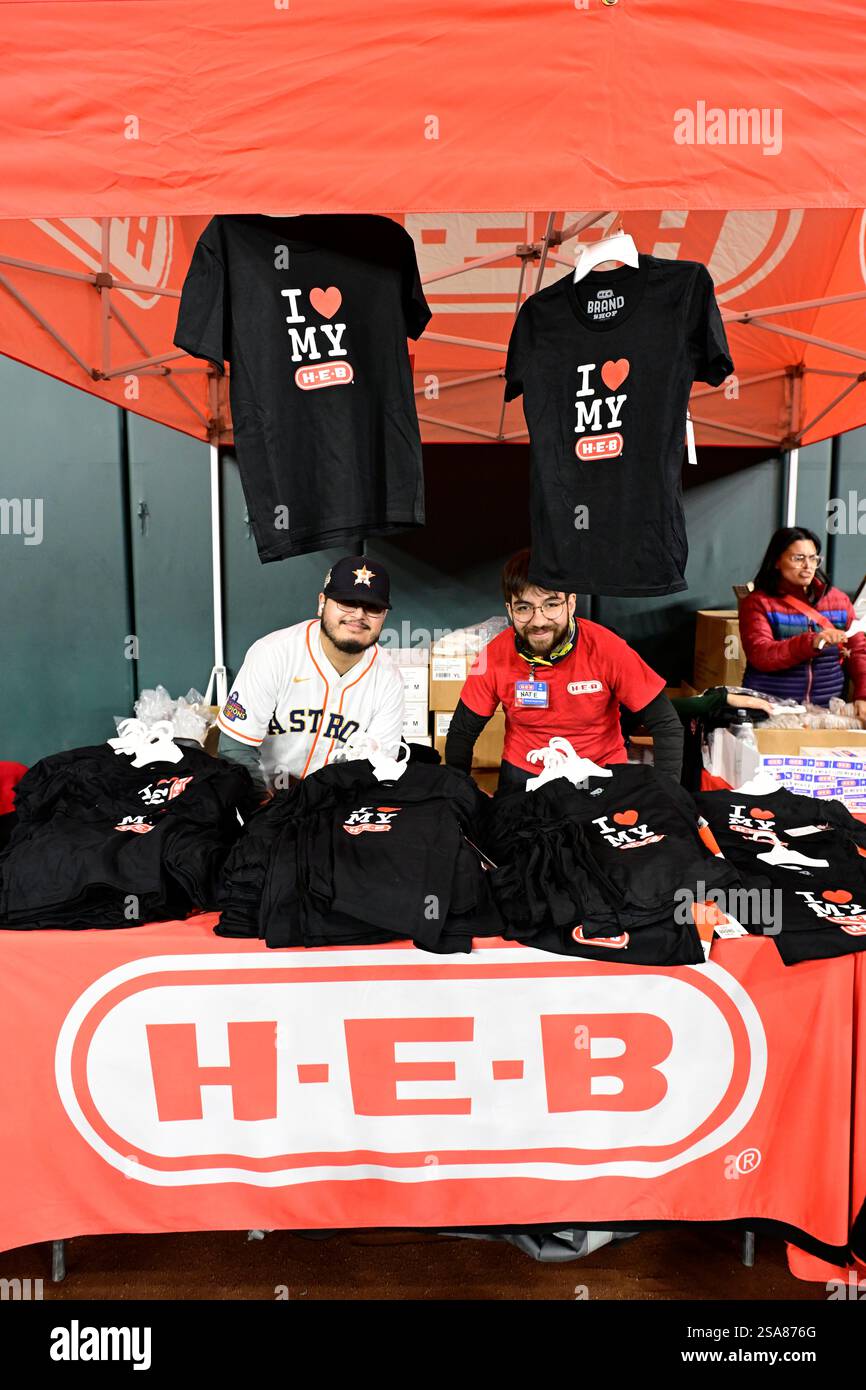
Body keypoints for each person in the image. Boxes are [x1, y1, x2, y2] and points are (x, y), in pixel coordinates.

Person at [445, 549, 683, 791]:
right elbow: (461, 733)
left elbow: (666, 724)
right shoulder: (494, 654)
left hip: (600, 772)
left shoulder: (608, 648)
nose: (538, 621)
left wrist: (668, 797)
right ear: (510, 610)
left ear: (571, 603)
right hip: (524, 776)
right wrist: (458, 799)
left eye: (551, 605)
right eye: (524, 608)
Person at [216, 556, 404, 791]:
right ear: (322, 603)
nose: (358, 615)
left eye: (372, 607)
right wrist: (262, 813)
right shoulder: (273, 653)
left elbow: (379, 770)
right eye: (347, 602)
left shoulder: (388, 677)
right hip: (266, 796)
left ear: (383, 617)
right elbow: (235, 748)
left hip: (338, 805)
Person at [739, 526, 866, 715]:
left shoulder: (838, 601)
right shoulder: (758, 603)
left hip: (826, 713)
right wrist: (811, 642)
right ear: (776, 561)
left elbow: (859, 652)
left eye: (813, 558)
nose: (808, 566)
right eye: (798, 558)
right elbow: (761, 654)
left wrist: (863, 696)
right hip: (771, 711)